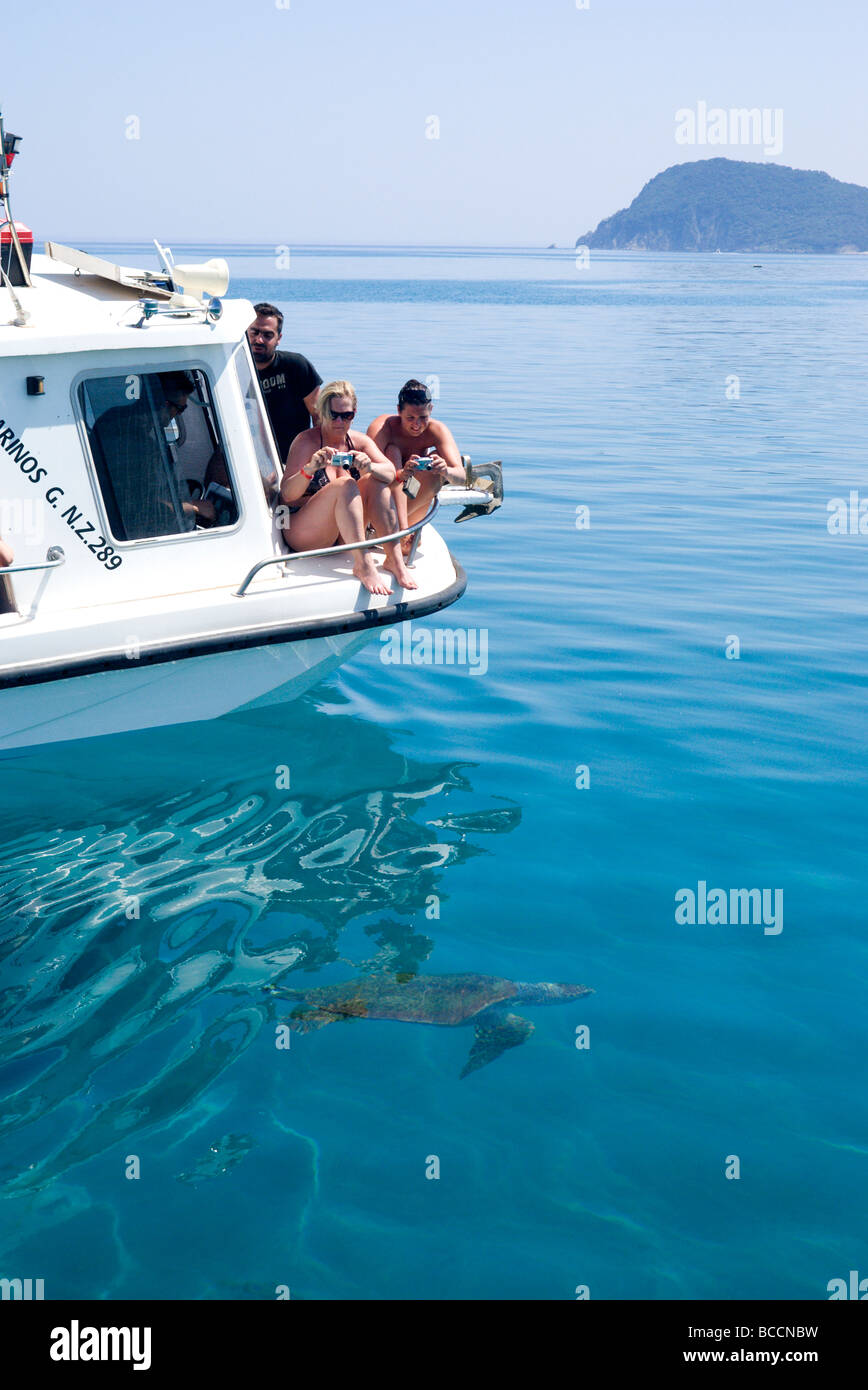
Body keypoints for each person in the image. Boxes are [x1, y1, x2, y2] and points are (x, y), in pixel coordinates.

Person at [279, 380, 417, 596]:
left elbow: (390, 473)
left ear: (354, 413)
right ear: (323, 412)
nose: (340, 421)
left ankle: (395, 560)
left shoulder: (358, 441)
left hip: (343, 534)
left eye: (347, 415)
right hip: (305, 532)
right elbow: (287, 494)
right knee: (345, 484)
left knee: (377, 482)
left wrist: (368, 466)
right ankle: (363, 564)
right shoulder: (306, 441)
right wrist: (310, 468)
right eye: (334, 415)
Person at [368, 380, 465, 551]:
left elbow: (461, 477)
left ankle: (401, 530)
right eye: (410, 418)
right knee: (393, 451)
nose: (417, 425)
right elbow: (367, 476)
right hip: (381, 502)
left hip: (410, 501)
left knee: (437, 459)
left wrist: (445, 470)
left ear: (431, 411)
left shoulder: (437, 430)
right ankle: (400, 531)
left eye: (423, 418)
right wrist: (399, 474)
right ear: (398, 411)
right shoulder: (384, 427)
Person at [247, 303, 322, 462]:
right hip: (251, 456)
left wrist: (317, 457)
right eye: (254, 332)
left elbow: (319, 416)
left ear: (278, 338)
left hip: (296, 457)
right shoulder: (233, 371)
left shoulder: (296, 365)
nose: (259, 340)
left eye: (267, 335)